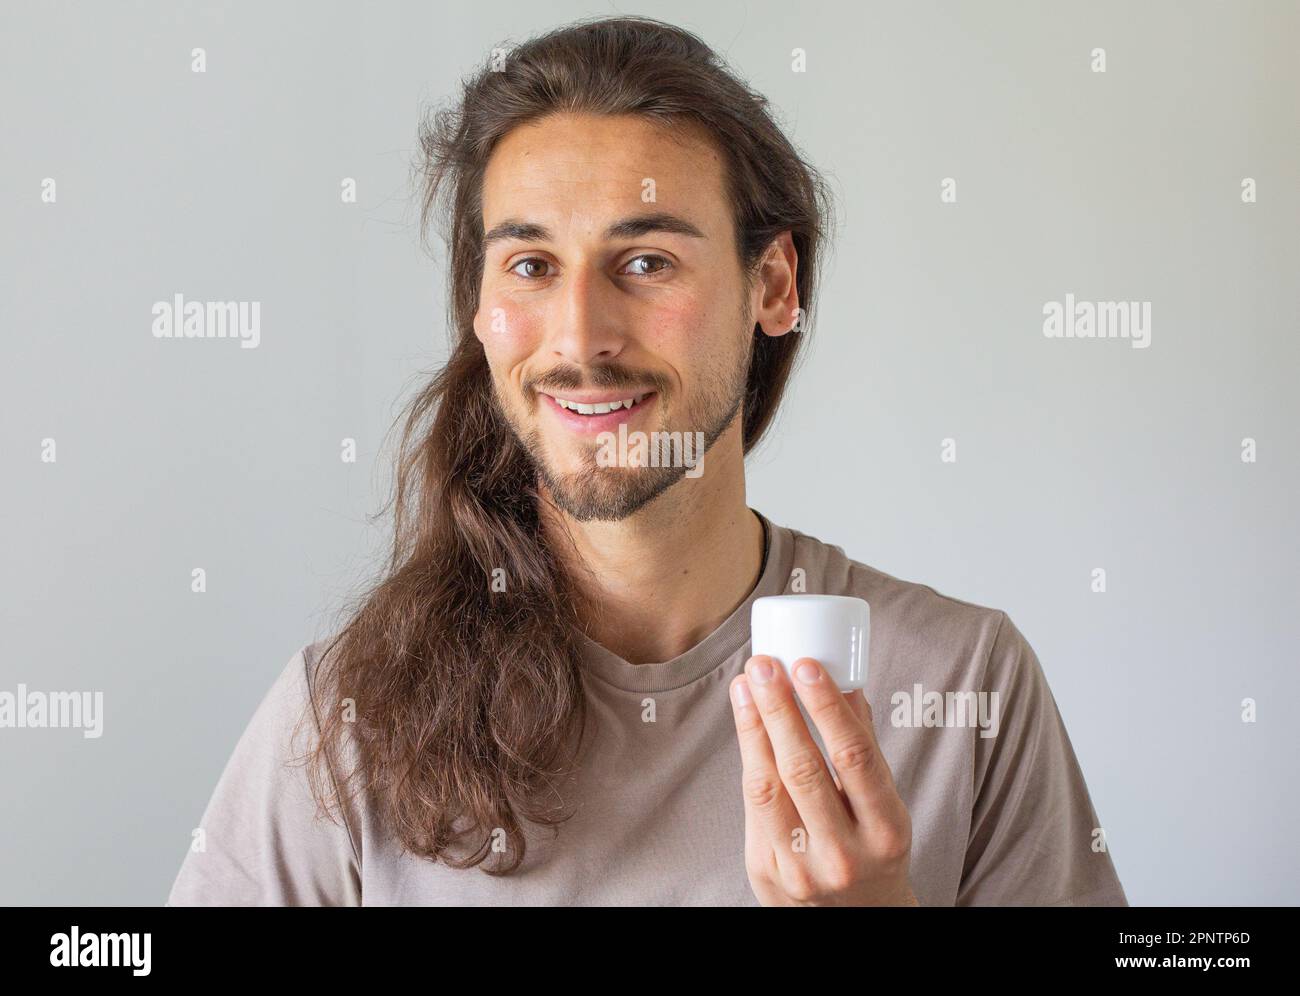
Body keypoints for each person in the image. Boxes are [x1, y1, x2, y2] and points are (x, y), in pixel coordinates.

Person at [167, 15, 1127, 907]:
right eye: (532, 267)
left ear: (775, 284)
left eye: (646, 262)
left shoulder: (963, 684)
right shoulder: (348, 716)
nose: (580, 337)